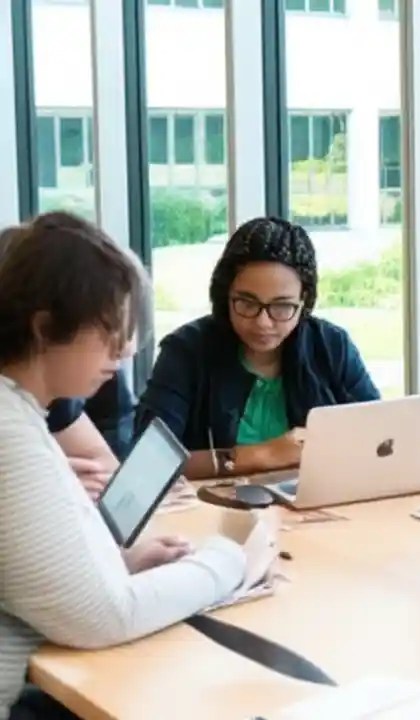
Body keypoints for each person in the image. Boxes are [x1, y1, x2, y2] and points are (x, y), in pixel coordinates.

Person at [0, 212, 254, 719]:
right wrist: (232, 559)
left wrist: (115, 566)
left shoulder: (21, 413)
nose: (126, 349)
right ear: (45, 328)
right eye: (111, 328)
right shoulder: (9, 434)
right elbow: (104, 617)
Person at [135, 216, 379, 480]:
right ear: (225, 294)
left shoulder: (331, 346)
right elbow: (147, 464)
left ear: (304, 301)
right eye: (247, 303)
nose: (263, 322)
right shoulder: (187, 351)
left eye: (282, 306)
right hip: (217, 514)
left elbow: (381, 440)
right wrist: (264, 455)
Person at [0, 224, 124, 501]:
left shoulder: (37, 396)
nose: (121, 352)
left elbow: (108, 472)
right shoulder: (9, 420)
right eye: (108, 328)